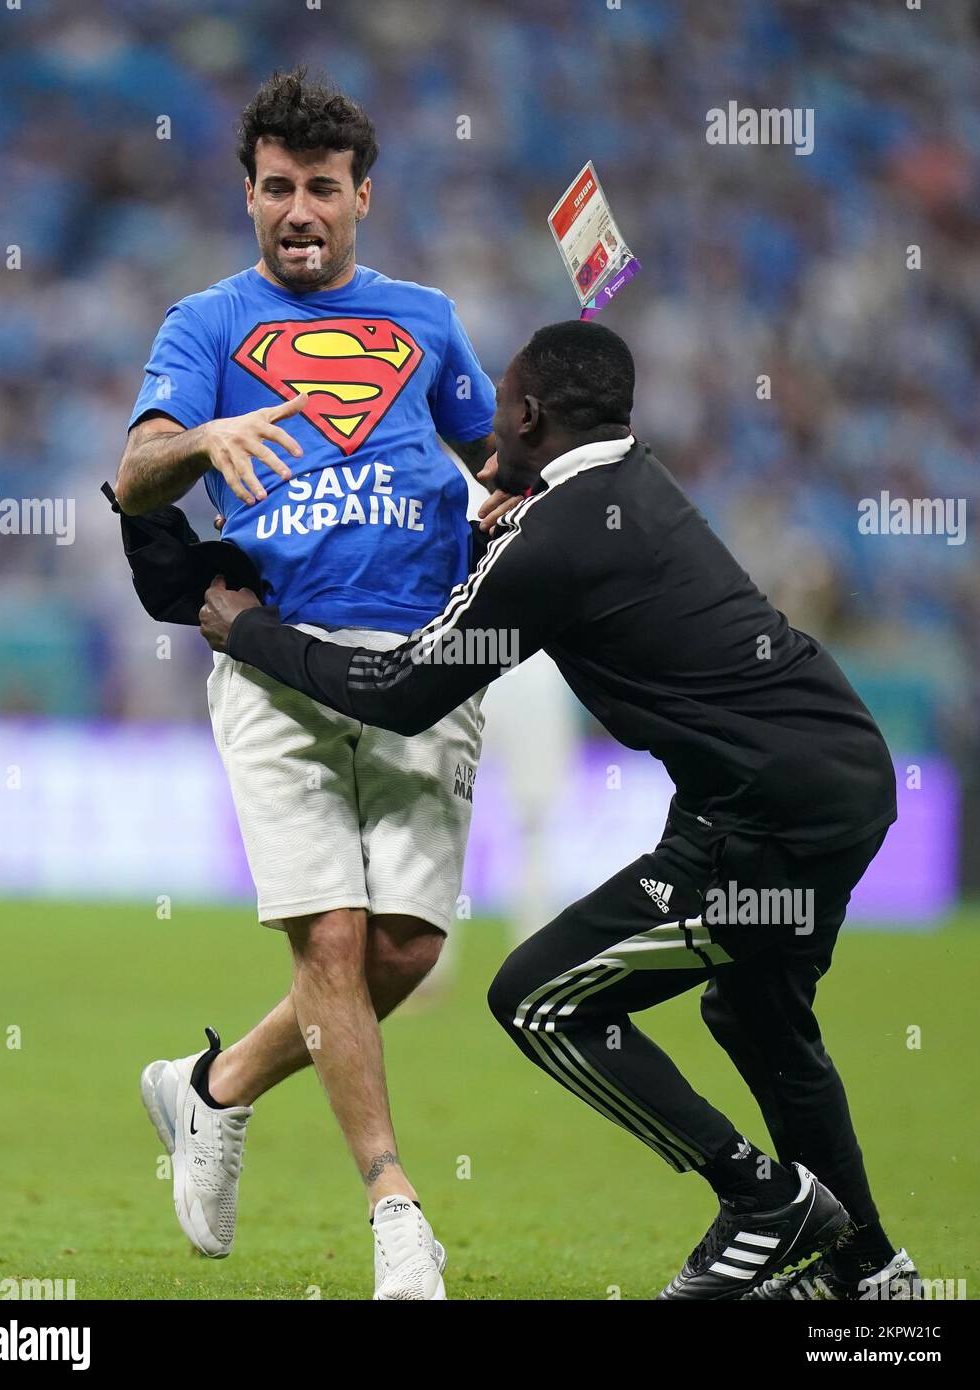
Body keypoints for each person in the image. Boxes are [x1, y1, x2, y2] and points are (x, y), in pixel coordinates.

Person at [198, 319, 923, 1301]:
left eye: (501, 403)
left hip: (766, 811)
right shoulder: (631, 486)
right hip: (836, 772)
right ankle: (868, 1274)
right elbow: (560, 546)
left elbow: (401, 688)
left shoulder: (553, 540)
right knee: (758, 1017)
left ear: (529, 415)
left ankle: (759, 1198)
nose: (488, 422)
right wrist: (521, 500)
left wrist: (252, 633)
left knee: (538, 996)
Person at [116, 67, 516, 1301]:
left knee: (398, 948)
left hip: (426, 663)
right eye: (278, 187)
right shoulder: (203, 324)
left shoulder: (428, 318)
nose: (300, 208)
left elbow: (492, 452)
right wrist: (199, 440)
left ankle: (212, 1088)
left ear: (361, 198)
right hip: (275, 664)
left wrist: (514, 481)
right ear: (247, 196)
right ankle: (396, 1211)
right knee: (330, 937)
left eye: (322, 189)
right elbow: (133, 476)